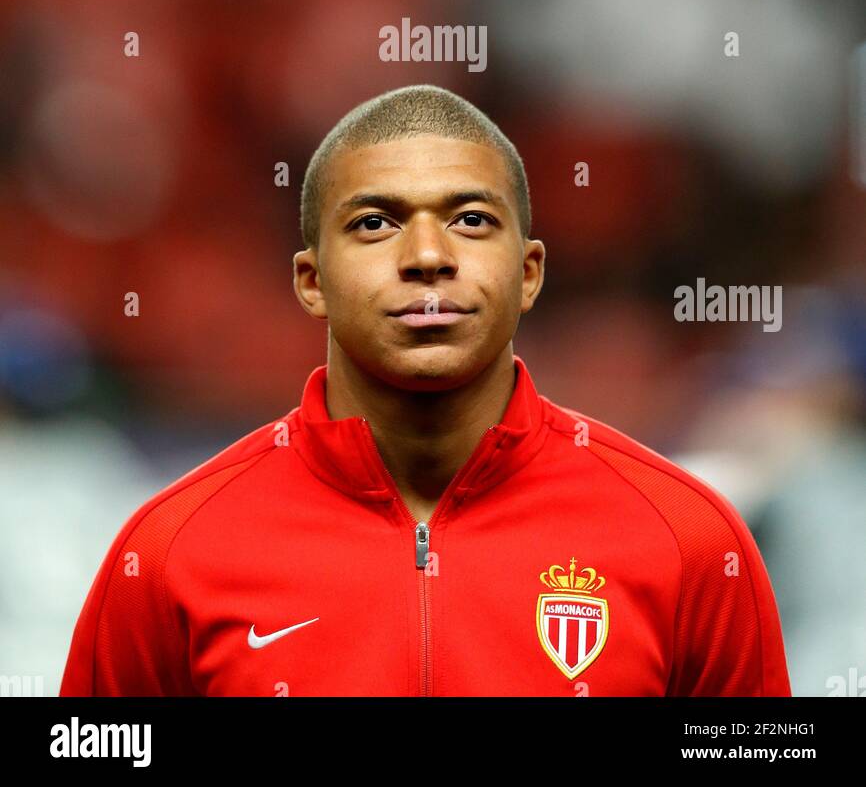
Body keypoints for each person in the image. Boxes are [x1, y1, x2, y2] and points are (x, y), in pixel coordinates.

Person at [60, 84, 791, 696]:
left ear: (529, 272)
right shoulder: (170, 554)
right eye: (376, 222)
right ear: (311, 282)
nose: (429, 257)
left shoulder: (688, 540)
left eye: (470, 220)